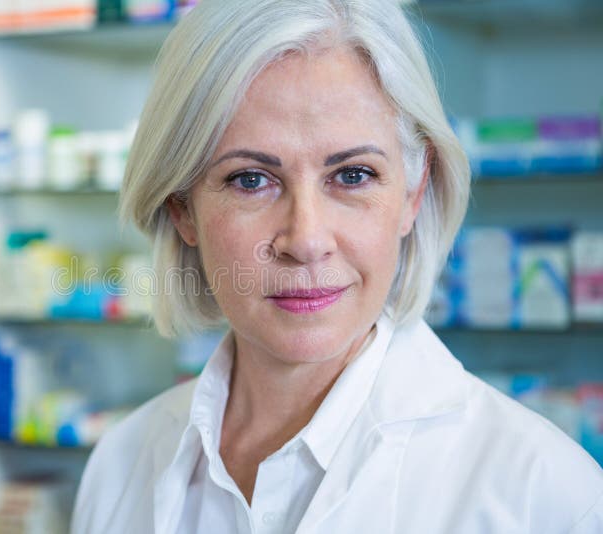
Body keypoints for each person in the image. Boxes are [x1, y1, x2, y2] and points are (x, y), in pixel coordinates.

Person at [71, 0, 603, 532]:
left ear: (413, 192)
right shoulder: (119, 466)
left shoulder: (547, 496)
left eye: (352, 175)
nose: (305, 240)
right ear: (182, 209)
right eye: (250, 180)